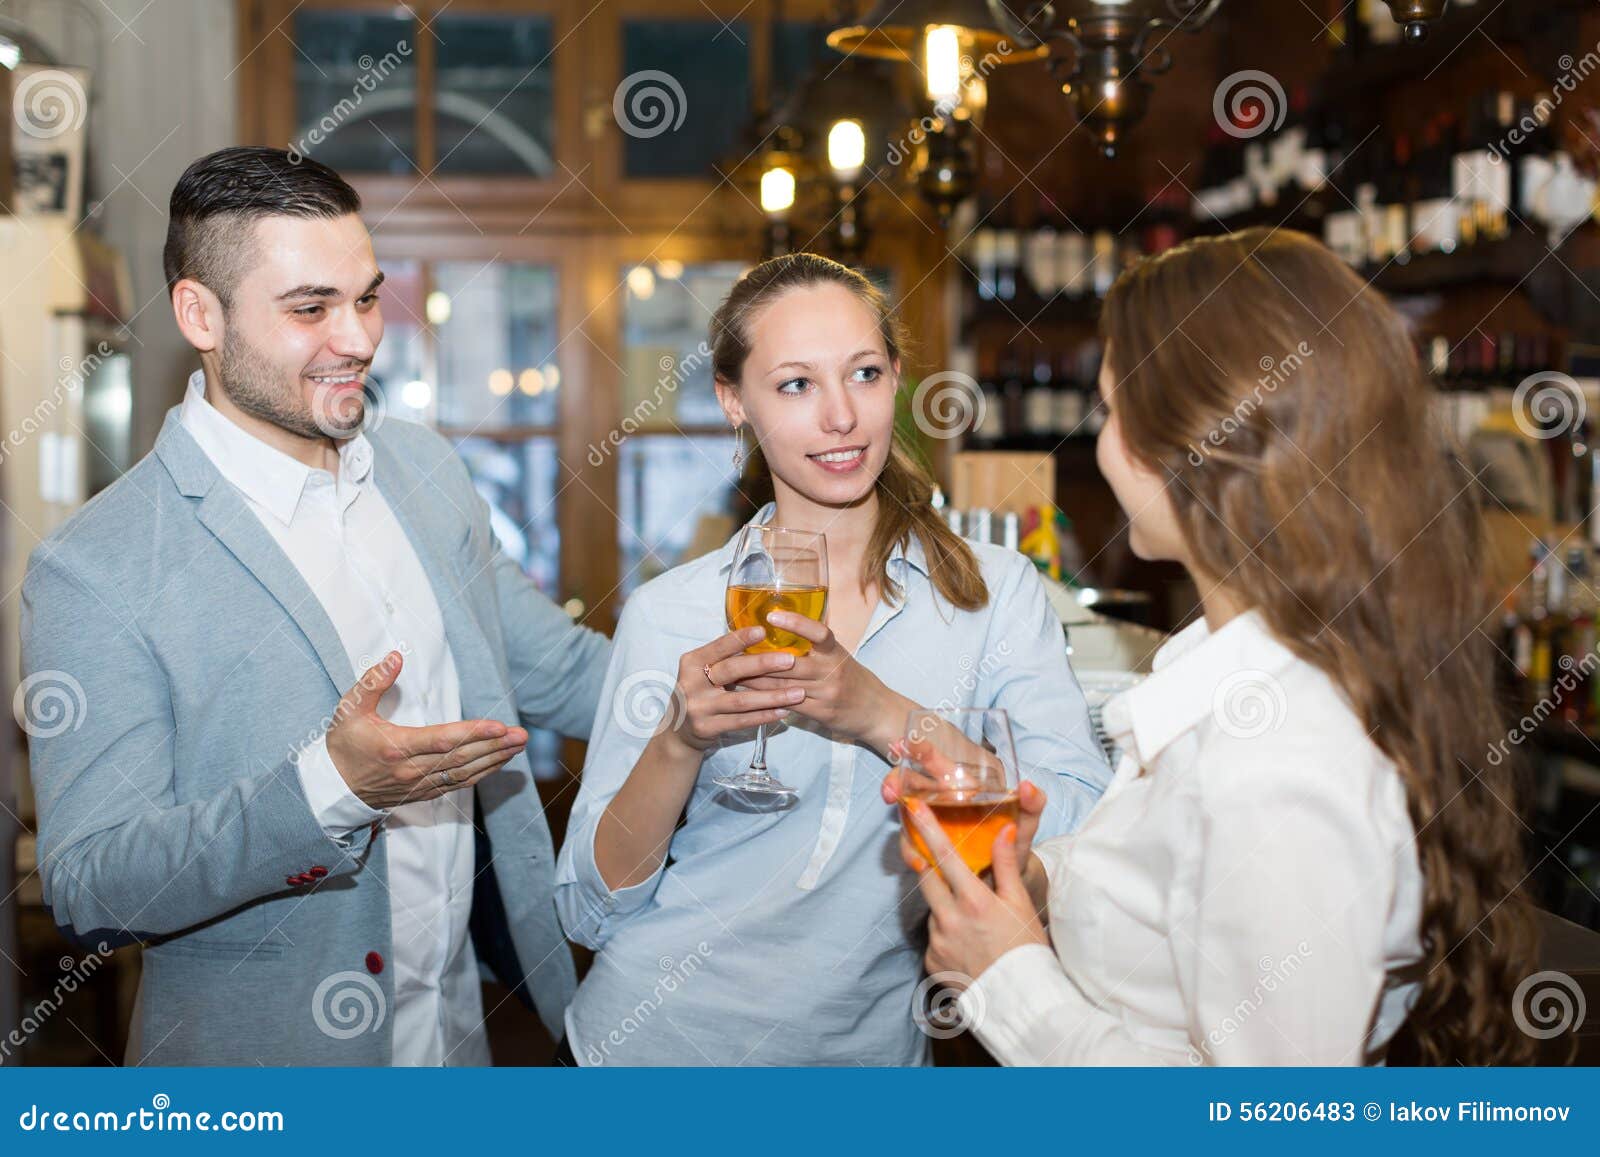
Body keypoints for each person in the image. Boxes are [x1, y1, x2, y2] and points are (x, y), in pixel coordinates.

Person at [890, 227, 1538, 1066]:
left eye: (1113, 410)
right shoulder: (1251, 677)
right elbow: (1179, 891)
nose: (1100, 443)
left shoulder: (1277, 757)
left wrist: (1007, 976)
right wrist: (1039, 878)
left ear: (1197, 446)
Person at [20, 147, 610, 1066]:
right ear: (199, 315)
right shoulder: (95, 567)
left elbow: (562, 671)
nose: (361, 338)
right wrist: (329, 788)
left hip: (462, 1043)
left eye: (367, 297)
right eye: (310, 309)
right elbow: (93, 884)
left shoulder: (426, 472)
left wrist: (709, 687)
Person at [553, 252, 1111, 1066]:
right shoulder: (669, 611)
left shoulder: (996, 594)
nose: (842, 416)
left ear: (897, 381)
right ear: (732, 401)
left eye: (864, 373)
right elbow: (591, 911)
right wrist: (678, 742)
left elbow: (1080, 827)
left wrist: (884, 713)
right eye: (795, 385)